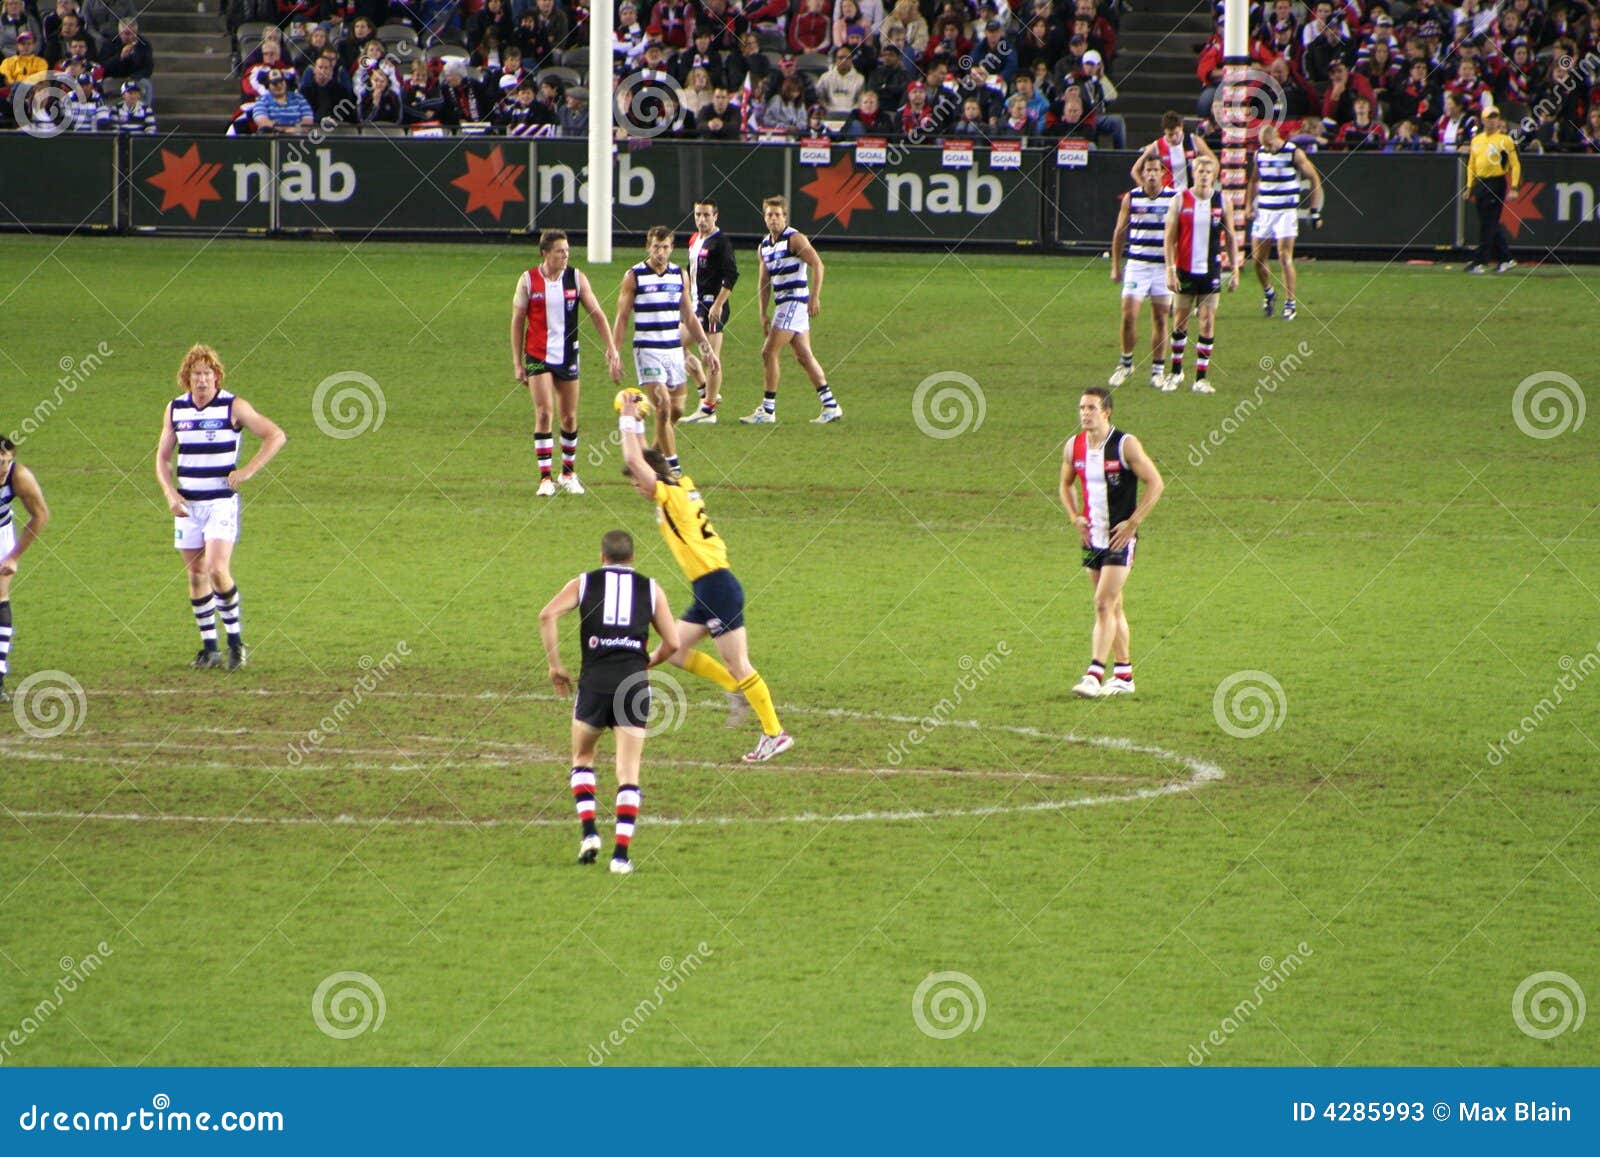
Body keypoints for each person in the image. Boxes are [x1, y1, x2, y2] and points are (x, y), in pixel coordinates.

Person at [617, 394, 794, 763]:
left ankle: (774, 733)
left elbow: (636, 459)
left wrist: (629, 417)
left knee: (739, 663)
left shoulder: (668, 495)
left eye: (636, 483)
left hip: (716, 587)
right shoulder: (682, 483)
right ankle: (733, 688)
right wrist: (640, 426)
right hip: (710, 587)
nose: (637, 488)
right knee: (676, 650)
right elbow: (648, 458)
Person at [539, 529, 679, 874]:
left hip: (594, 685)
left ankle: (589, 834)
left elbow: (547, 615)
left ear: (602, 557)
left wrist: (556, 665)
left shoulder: (585, 583)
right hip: (633, 685)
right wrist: (647, 661)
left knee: (583, 757)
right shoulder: (651, 588)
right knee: (628, 772)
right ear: (633, 558)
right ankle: (621, 856)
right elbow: (673, 643)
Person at [155, 345, 287, 671]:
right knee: (196, 574)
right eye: (196, 374)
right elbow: (162, 457)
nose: (202, 380)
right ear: (187, 378)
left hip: (220, 503)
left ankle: (236, 641)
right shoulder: (176, 409)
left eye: (207, 374)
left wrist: (248, 471)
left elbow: (275, 435)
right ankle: (209, 648)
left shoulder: (233, 406)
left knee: (216, 569)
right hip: (188, 504)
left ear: (217, 376)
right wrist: (170, 493)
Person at [1061, 388, 1164, 699]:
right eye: (1081, 407)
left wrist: (1133, 522)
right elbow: (1065, 485)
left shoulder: (1124, 445)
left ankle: (1094, 674)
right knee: (1113, 607)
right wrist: (1074, 516)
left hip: (1120, 539)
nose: (1084, 413)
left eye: (1091, 408)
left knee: (1103, 604)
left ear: (1106, 412)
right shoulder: (1073, 446)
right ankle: (1124, 675)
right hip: (1092, 539)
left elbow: (1156, 483)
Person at [510, 229, 623, 496]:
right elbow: (516, 322)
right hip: (537, 354)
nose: (565, 255)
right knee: (544, 412)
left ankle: (568, 473)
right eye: (560, 251)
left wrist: (611, 348)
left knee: (569, 416)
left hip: (568, 354)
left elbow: (596, 313)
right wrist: (517, 362)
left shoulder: (576, 278)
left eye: (567, 250)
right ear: (545, 253)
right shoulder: (528, 280)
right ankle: (545, 478)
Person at [611, 227, 720, 476]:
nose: (661, 252)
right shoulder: (634, 276)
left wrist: (707, 350)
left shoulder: (679, 276)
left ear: (672, 248)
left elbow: (690, 317)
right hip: (648, 349)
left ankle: (651, 456)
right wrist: (614, 353)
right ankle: (674, 469)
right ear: (648, 247)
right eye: (656, 247)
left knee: (678, 410)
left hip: (673, 350)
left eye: (666, 247)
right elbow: (622, 317)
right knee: (662, 406)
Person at [742, 195, 841, 425]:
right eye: (769, 215)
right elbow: (763, 282)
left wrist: (814, 296)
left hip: (795, 302)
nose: (773, 219)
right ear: (764, 218)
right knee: (804, 356)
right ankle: (830, 405)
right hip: (782, 304)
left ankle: (768, 409)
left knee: (768, 352)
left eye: (778, 215)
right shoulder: (764, 246)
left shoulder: (794, 239)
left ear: (785, 217)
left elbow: (817, 264)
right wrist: (762, 312)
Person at [1163, 156, 1241, 394]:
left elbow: (1230, 238)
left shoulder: (1222, 201)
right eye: (1200, 171)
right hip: (1185, 269)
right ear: (1193, 173)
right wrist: (1170, 270)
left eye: (1209, 171)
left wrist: (1235, 269)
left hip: (1211, 270)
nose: (1204, 175)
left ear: (1214, 175)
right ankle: (1176, 372)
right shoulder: (1180, 200)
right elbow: (1169, 238)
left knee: (1207, 321)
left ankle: (1201, 378)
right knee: (1180, 321)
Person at [1108, 156, 1175, 391]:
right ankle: (1126, 363)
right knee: (1129, 315)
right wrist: (1115, 266)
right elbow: (1119, 232)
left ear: (1163, 173)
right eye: (1148, 170)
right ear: (1143, 173)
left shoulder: (1173, 198)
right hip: (1137, 266)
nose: (1152, 174)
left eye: (1156, 170)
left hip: (1162, 268)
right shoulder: (1133, 197)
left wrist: (1175, 269)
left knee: (1160, 318)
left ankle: (1157, 371)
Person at [1246, 121, 1323, 322]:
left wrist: (1314, 211)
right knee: (1257, 260)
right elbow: (1254, 180)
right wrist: (1248, 205)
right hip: (1265, 212)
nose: (1268, 149)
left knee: (1284, 256)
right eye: (1264, 145)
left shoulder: (1293, 153)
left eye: (1270, 145)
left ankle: (1290, 303)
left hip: (1286, 212)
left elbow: (1315, 179)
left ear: (1276, 137)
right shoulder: (1260, 154)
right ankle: (1269, 292)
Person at [681, 198, 739, 425]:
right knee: (674, 345)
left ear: (716, 216)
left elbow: (731, 275)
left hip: (712, 306)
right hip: (694, 306)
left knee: (711, 357)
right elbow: (691, 271)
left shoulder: (721, 242)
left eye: (706, 215)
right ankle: (706, 390)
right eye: (697, 215)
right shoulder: (694, 239)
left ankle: (708, 410)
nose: (701, 219)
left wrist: (718, 304)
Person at [0, 436, 50, 703]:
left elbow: (40, 515)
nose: (4, 468)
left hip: (1, 534)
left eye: (8, 461)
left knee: (0, 599)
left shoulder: (19, 476)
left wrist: (13, 556)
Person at [1464, 103, 1521, 274]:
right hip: (1481, 182)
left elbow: (1515, 165)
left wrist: (1515, 186)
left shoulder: (1505, 140)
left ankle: (1481, 260)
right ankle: (1506, 258)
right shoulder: (1476, 140)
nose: (1492, 121)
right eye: (1489, 118)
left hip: (1496, 182)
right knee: (1488, 222)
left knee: (1488, 223)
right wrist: (1469, 186)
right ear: (1482, 120)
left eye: (1495, 118)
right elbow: (1471, 165)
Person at [1130, 110, 1216, 191]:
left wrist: (1209, 184)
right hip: (1167, 195)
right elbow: (1135, 170)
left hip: (1190, 193)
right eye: (1170, 135)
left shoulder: (1194, 140)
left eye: (1177, 133)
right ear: (1164, 131)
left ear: (1181, 127)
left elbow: (1214, 162)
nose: (1174, 138)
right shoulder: (1157, 145)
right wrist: (1146, 190)